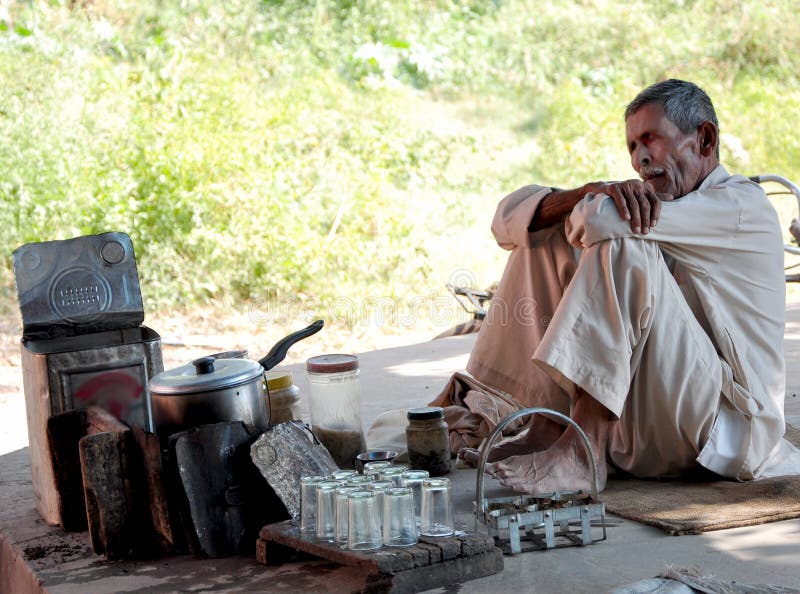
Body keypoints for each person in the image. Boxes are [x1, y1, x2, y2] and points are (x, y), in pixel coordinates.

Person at [458, 79, 799, 494]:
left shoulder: (742, 206)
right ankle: (550, 426)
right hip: (657, 419)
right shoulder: (663, 206)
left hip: (721, 431)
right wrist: (585, 193)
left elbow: (605, 221)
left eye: (650, 140)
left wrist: (595, 200)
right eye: (632, 147)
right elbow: (505, 223)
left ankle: (583, 452)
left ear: (705, 140)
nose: (640, 160)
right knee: (543, 239)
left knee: (624, 241)